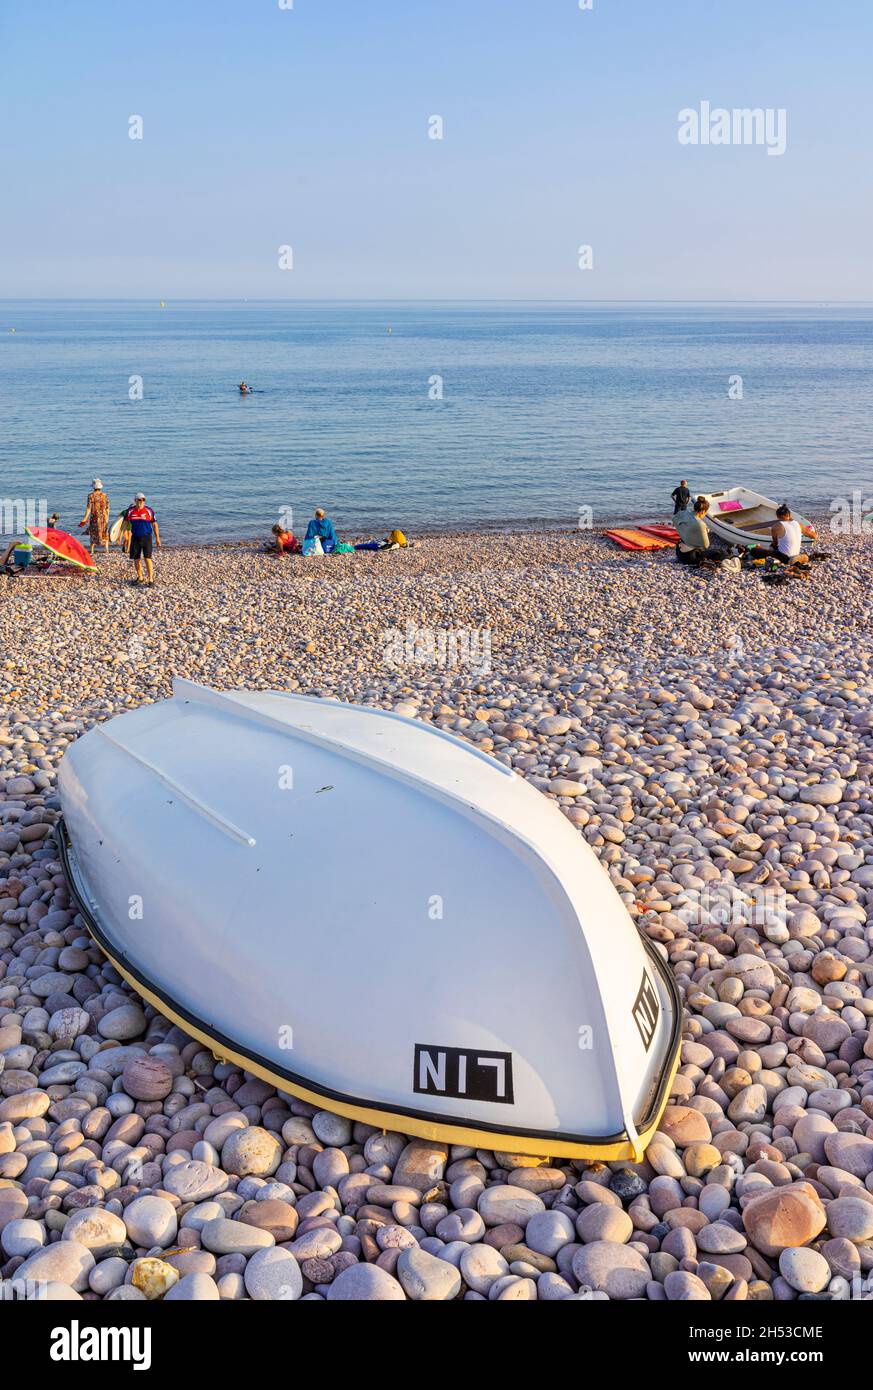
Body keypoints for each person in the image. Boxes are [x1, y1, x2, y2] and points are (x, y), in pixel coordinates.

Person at [675, 496, 725, 566]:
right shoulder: (700, 524)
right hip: (689, 557)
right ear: (703, 511)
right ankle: (702, 562)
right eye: (705, 513)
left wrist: (684, 533)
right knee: (720, 553)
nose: (704, 515)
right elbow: (705, 546)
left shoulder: (684, 512)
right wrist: (705, 532)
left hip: (679, 551)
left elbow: (674, 519)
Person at [124, 492, 161, 585]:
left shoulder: (149, 511)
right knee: (136, 559)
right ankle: (140, 577)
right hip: (135, 538)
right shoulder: (130, 511)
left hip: (146, 538)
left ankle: (151, 579)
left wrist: (157, 538)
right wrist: (125, 537)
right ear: (135, 500)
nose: (141, 502)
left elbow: (154, 524)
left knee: (147, 558)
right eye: (139, 500)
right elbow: (124, 523)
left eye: (143, 500)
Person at [80, 478, 110, 555]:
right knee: (104, 532)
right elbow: (107, 508)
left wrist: (84, 519)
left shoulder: (91, 496)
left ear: (93, 487)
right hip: (103, 517)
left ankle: (92, 551)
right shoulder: (105, 496)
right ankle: (106, 550)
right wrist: (107, 517)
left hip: (94, 517)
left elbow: (88, 508)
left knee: (93, 532)